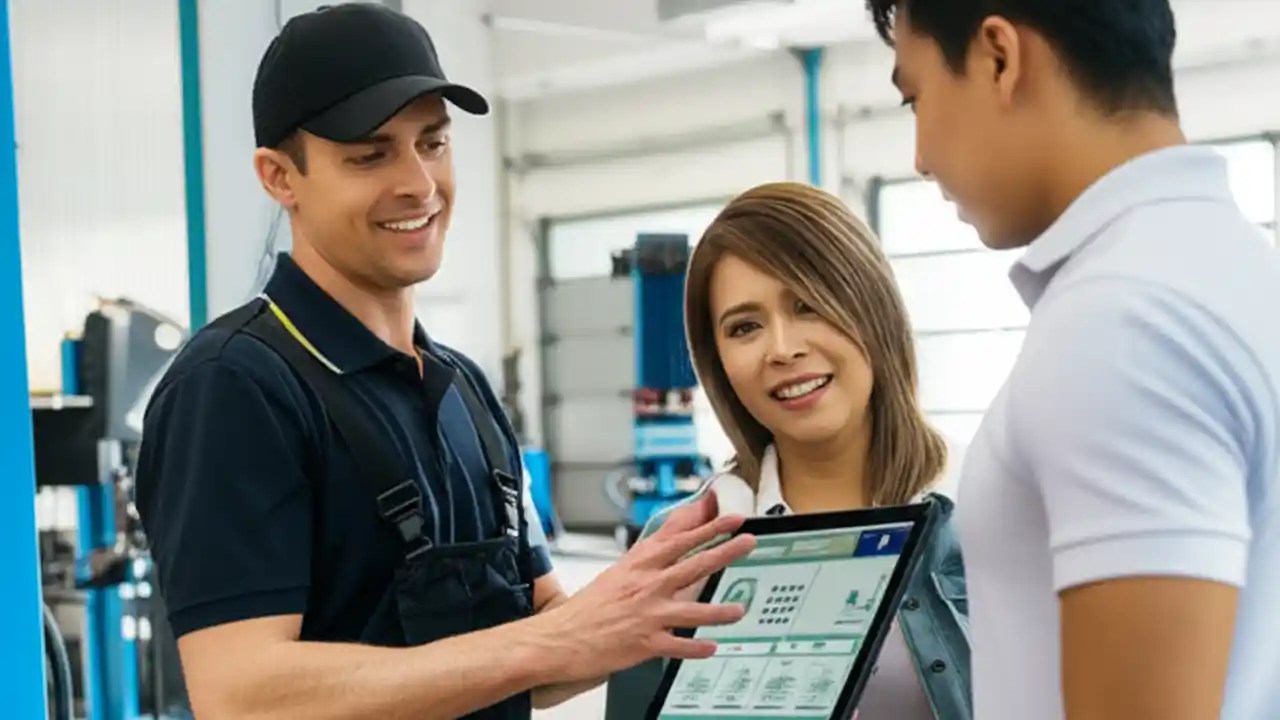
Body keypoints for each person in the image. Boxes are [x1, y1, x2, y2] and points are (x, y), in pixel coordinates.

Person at [134, 5, 754, 719]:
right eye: (371, 155)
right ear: (280, 177)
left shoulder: (463, 390)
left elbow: (544, 648)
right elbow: (243, 697)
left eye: (432, 144)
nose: (420, 184)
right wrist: (554, 642)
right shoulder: (236, 388)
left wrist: (665, 600)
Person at [867, 0, 1280, 718]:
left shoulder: (1122, 323)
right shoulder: (1238, 272)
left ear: (1000, 57)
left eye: (916, 98)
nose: (920, 156)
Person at [610, 182, 972, 719]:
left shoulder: (987, 503)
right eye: (746, 327)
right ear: (720, 362)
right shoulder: (682, 546)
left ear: (873, 306)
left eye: (808, 305)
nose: (783, 349)